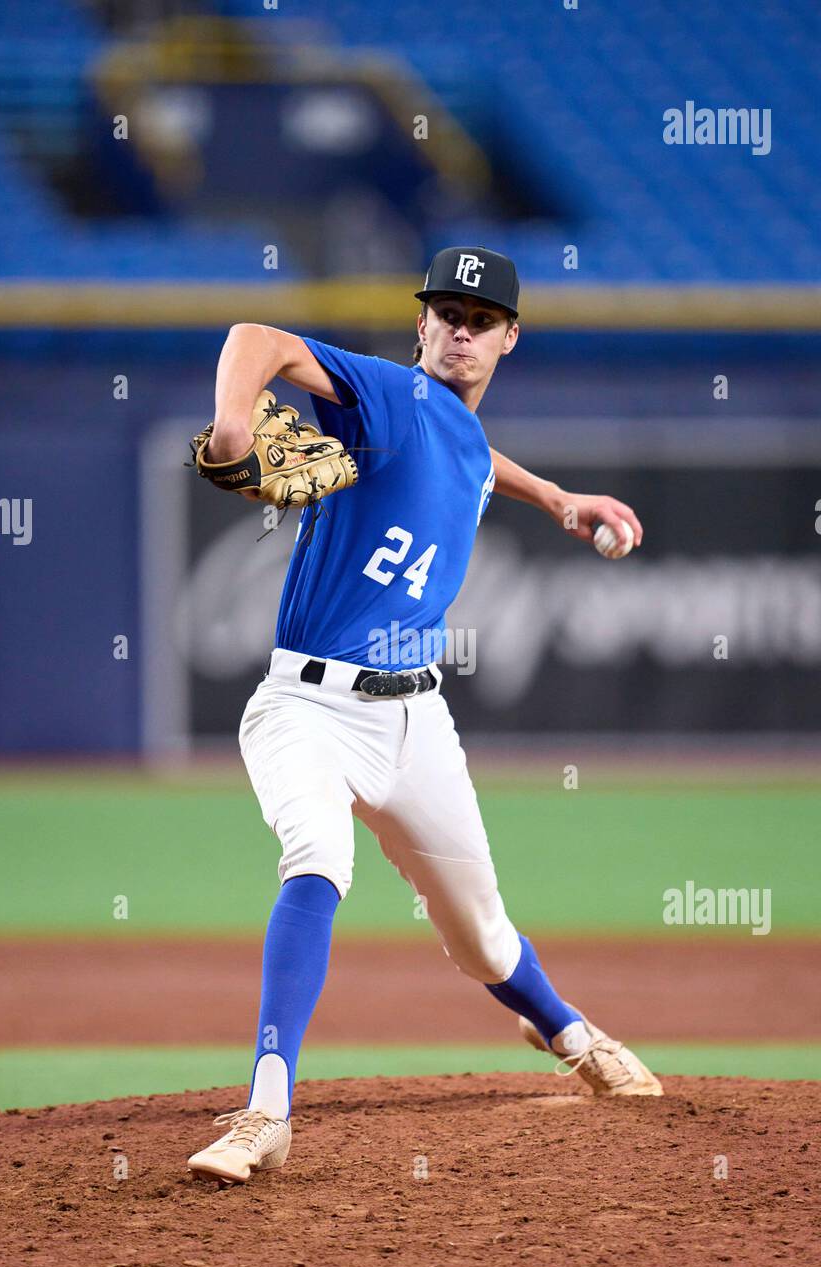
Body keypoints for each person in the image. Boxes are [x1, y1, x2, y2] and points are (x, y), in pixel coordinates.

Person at [188, 246, 662, 1186]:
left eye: (480, 318)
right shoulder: (383, 396)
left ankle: (565, 1027)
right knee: (318, 858)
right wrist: (235, 424)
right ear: (420, 325)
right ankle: (266, 1109)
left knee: (483, 937)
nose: (460, 327)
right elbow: (257, 337)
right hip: (303, 708)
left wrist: (558, 497)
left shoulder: (456, 434)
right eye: (445, 311)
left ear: (508, 339)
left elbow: (475, 457)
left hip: (416, 725)